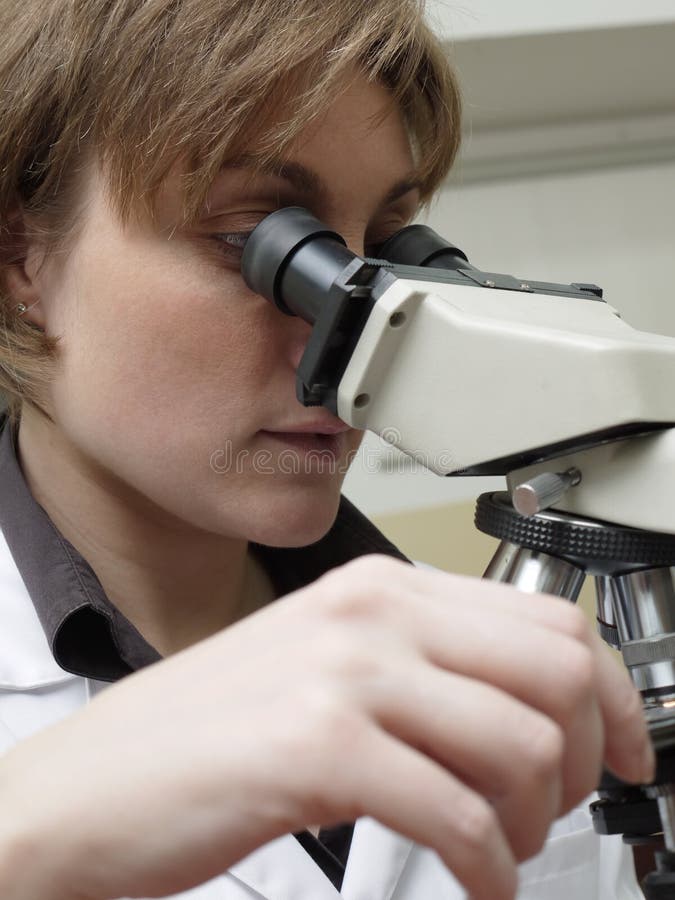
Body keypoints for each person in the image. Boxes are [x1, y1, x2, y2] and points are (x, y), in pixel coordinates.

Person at [0, 1, 654, 898]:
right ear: (21, 254)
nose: (350, 343)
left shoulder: (493, 662)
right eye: (255, 243)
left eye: (385, 250)